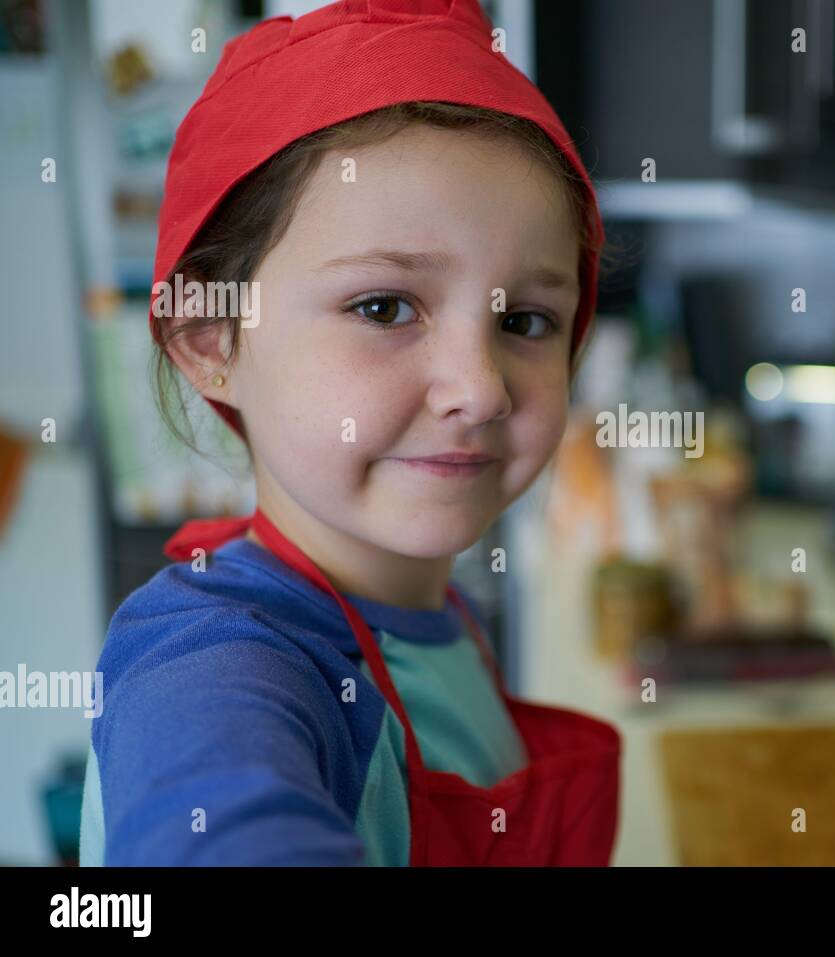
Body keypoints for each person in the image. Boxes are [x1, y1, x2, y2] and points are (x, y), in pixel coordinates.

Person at [79, 0, 621, 866]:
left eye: (524, 319)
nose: (479, 390)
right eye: (384, 306)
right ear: (210, 340)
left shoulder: (428, 610)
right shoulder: (217, 664)